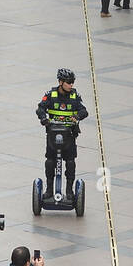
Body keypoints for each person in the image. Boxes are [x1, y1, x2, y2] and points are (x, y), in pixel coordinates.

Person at [36, 68, 89, 197]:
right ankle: (49, 190)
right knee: (50, 161)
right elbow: (40, 108)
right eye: (69, 82)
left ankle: (69, 190)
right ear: (60, 82)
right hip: (53, 136)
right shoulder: (51, 95)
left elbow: (84, 111)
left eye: (72, 82)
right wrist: (44, 119)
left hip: (69, 136)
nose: (71, 85)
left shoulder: (74, 96)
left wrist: (77, 117)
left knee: (70, 162)